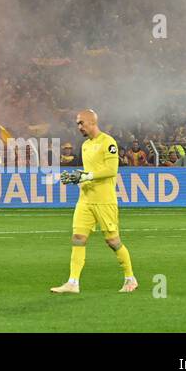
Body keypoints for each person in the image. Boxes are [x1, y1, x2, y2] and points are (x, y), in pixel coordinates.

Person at [51, 109, 137, 295]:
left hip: (104, 201)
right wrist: (78, 177)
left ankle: (130, 278)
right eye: (78, 123)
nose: (79, 127)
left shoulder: (108, 142)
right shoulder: (85, 145)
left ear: (92, 122)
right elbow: (90, 171)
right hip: (85, 199)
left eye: (81, 123)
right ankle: (73, 282)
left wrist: (87, 175)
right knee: (78, 238)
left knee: (113, 241)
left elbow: (111, 170)